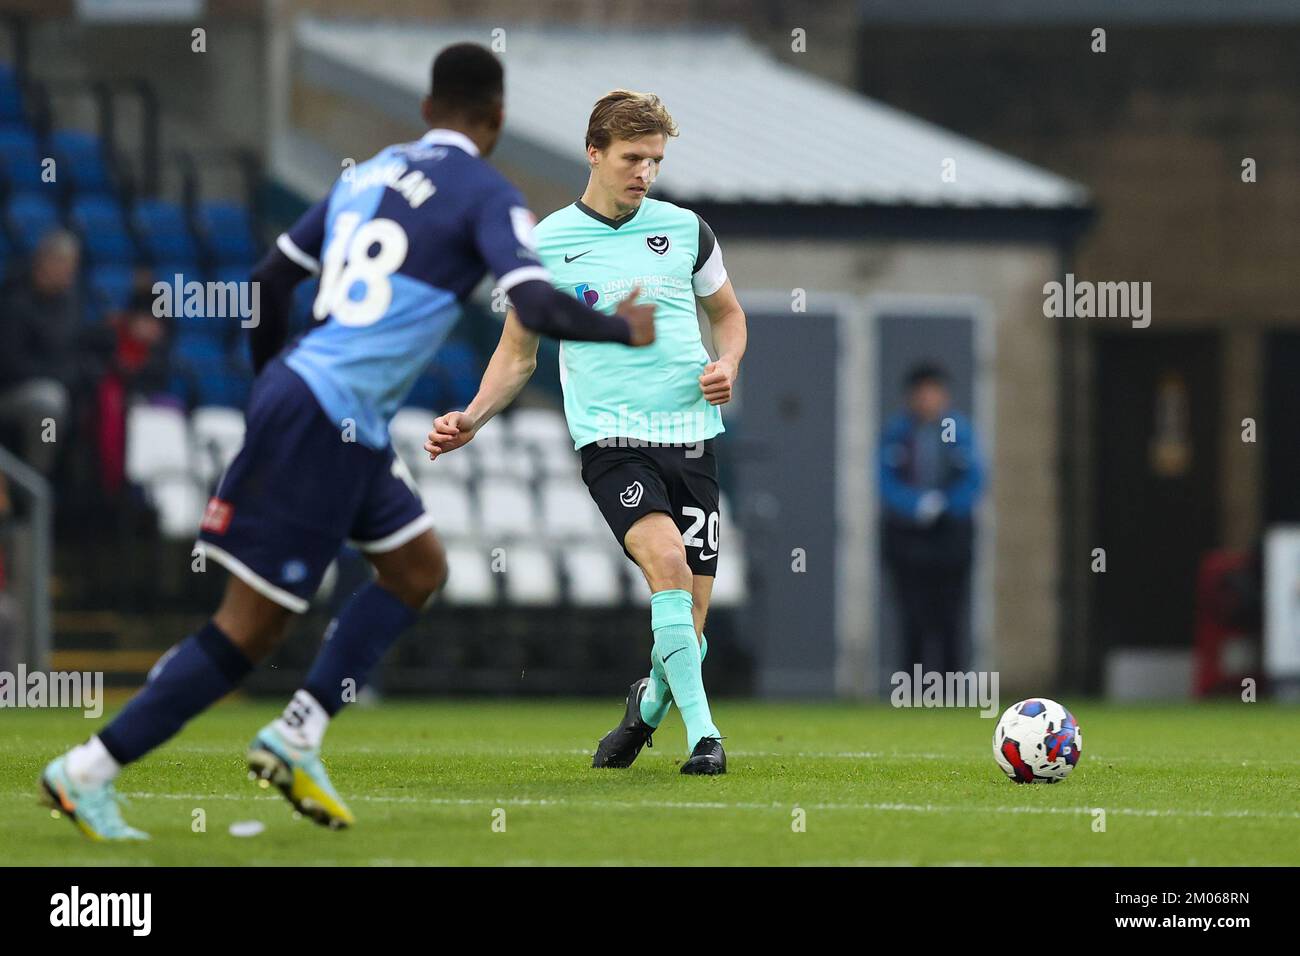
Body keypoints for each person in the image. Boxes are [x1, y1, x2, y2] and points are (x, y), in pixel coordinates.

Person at [39, 43, 655, 842]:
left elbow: (265, 282)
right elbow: (532, 300)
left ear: (428, 110)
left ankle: (296, 734)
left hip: (328, 412)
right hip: (324, 413)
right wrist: (619, 326)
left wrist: (270, 381)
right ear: (496, 119)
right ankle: (88, 770)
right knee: (249, 628)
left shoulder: (364, 174)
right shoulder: (485, 193)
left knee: (416, 566)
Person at [427, 90, 747, 775]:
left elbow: (727, 313)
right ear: (594, 152)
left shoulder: (686, 230)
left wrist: (728, 363)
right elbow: (518, 354)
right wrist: (472, 418)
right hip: (613, 440)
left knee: (688, 624)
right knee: (666, 564)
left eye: (655, 161)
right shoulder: (544, 244)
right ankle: (707, 738)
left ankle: (646, 708)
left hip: (691, 436)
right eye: (633, 158)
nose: (644, 174)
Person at [879, 362, 985, 674]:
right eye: (920, 394)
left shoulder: (960, 431)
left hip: (950, 534)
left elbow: (974, 478)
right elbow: (885, 480)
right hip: (907, 534)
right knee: (912, 613)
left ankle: (951, 687)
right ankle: (913, 688)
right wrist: (916, 505)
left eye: (933, 393)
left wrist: (945, 504)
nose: (927, 400)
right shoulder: (898, 432)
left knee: (950, 614)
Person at [0, 230, 83, 475]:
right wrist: (57, 376)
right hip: (12, 392)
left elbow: (74, 350)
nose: (71, 274)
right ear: (47, 262)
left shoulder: (69, 303)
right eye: (67, 266)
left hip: (61, 385)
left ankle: (85, 499)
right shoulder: (14, 302)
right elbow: (10, 365)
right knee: (47, 403)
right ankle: (35, 481)